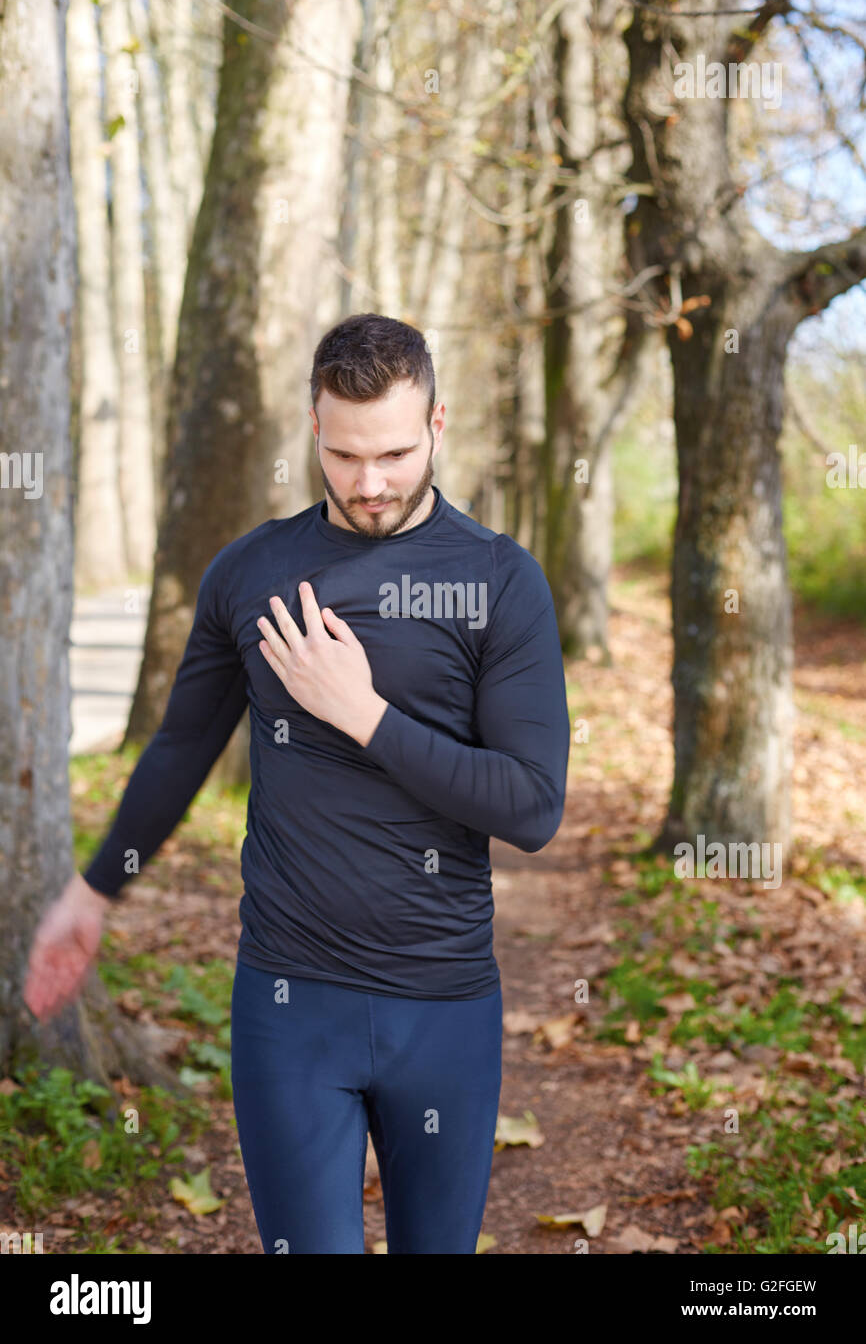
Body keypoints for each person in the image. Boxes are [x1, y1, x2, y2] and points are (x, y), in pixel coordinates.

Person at [25, 313, 570, 1254]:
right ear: (313, 428)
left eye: (395, 453)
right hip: (289, 1002)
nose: (370, 484)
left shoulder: (498, 581)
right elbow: (180, 750)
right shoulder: (251, 573)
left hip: (443, 1007)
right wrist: (94, 888)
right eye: (347, 454)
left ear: (438, 425)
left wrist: (364, 715)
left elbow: (531, 806)